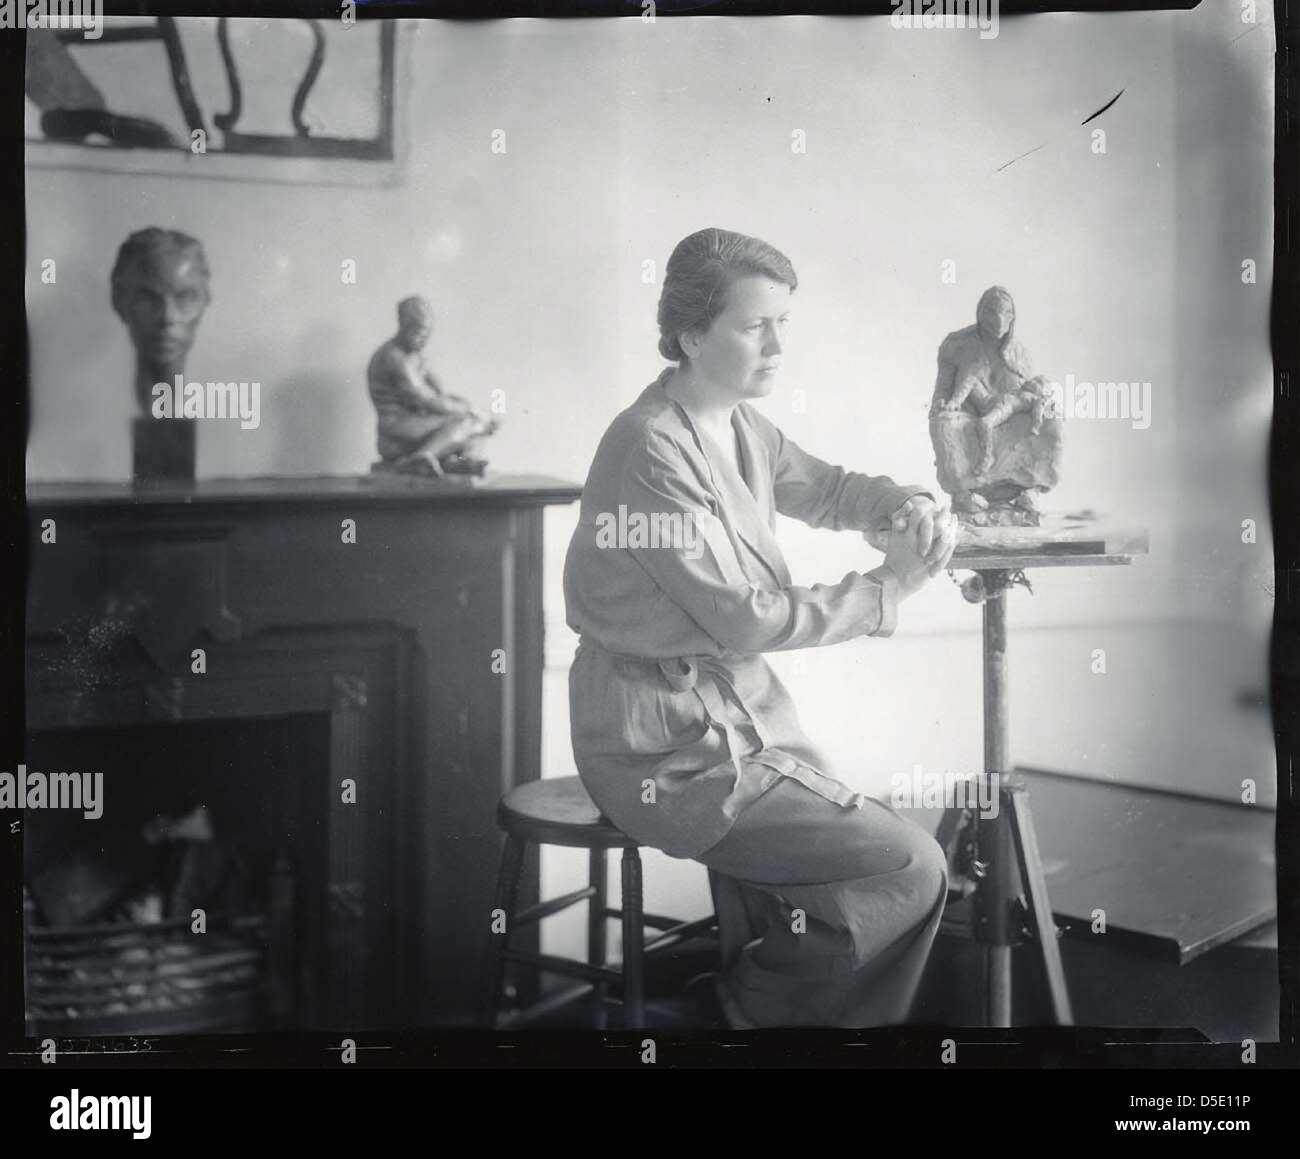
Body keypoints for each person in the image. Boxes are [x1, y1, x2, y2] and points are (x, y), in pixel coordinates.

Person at [563, 227, 960, 1028]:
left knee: (859, 881)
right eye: (755, 326)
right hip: (656, 744)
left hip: (742, 717)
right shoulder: (648, 447)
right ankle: (746, 1013)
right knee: (913, 868)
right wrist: (887, 588)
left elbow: (828, 488)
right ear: (689, 335)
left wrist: (901, 503)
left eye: (785, 323)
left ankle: (752, 1002)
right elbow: (743, 616)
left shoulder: (740, 425)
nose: (779, 346)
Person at [365, 296, 499, 477]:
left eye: (427, 333)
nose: (423, 339)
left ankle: (456, 462)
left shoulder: (416, 356)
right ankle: (419, 459)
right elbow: (424, 399)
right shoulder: (393, 357)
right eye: (418, 332)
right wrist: (470, 410)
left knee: (478, 424)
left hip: (417, 425)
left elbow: (440, 394)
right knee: (468, 422)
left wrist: (471, 409)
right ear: (404, 325)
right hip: (397, 431)